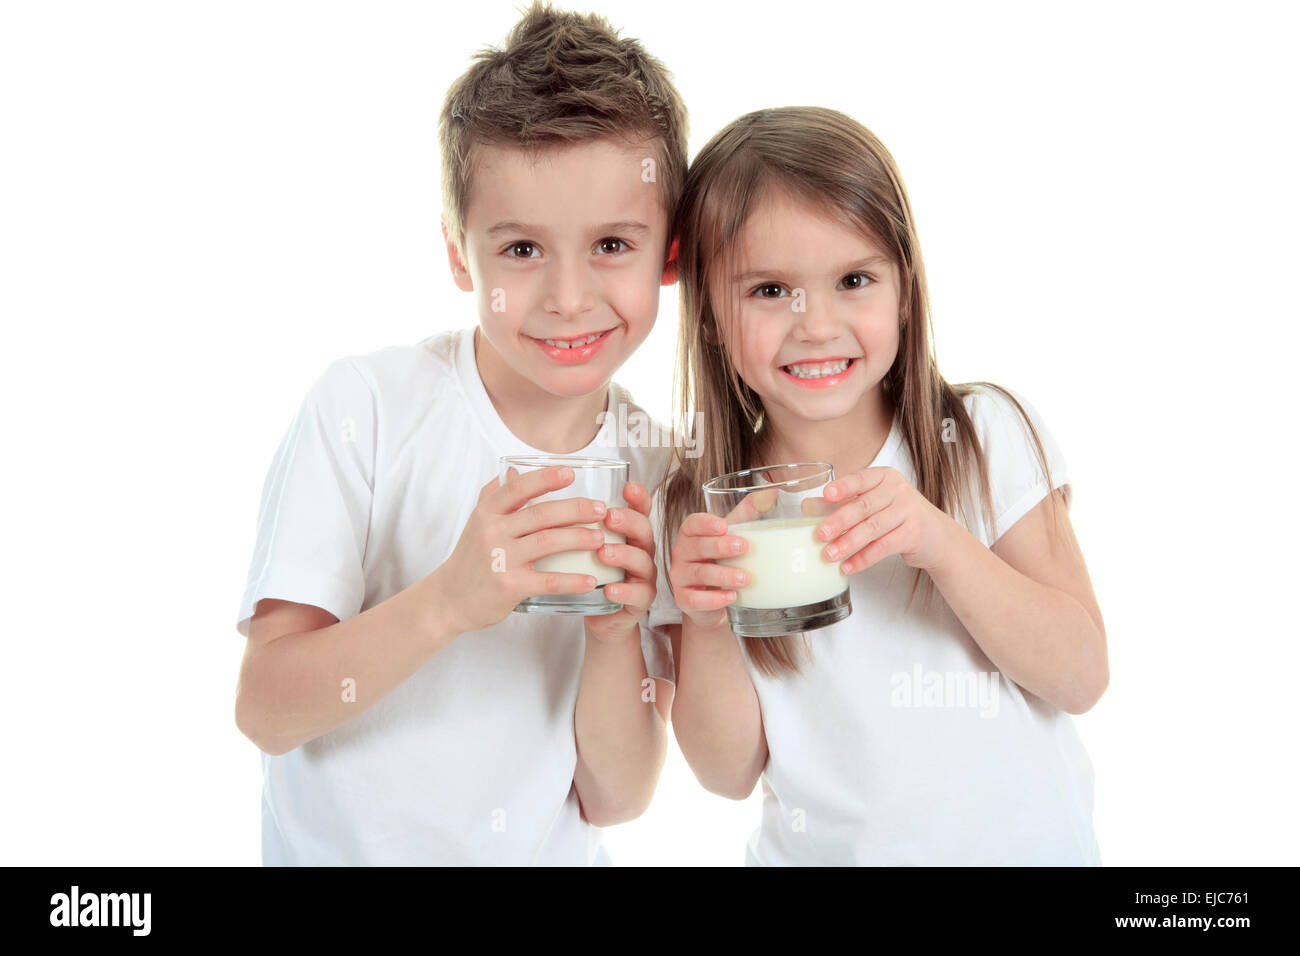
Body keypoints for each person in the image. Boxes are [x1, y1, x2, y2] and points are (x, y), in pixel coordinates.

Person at [233, 1, 688, 865]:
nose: (566, 296)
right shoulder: (366, 406)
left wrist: (611, 636)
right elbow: (265, 707)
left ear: (670, 255)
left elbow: (616, 799)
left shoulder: (663, 469)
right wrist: (446, 603)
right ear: (457, 253)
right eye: (520, 249)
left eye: (612, 245)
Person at [653, 106, 1107, 865]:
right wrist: (704, 623)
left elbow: (1081, 675)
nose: (816, 324)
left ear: (904, 292)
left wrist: (942, 542)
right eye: (770, 291)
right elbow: (727, 773)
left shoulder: (983, 438)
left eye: (853, 279)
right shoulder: (702, 506)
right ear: (709, 317)